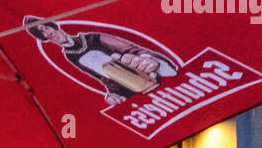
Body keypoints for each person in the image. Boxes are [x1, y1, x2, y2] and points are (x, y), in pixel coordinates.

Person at [23, 18, 175, 105]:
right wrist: (114, 93)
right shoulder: (70, 56)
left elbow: (130, 49)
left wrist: (147, 60)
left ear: (53, 26)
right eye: (42, 33)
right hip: (138, 88)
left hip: (154, 74)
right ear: (44, 39)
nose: (47, 33)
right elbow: (102, 77)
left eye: (45, 28)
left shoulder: (92, 38)